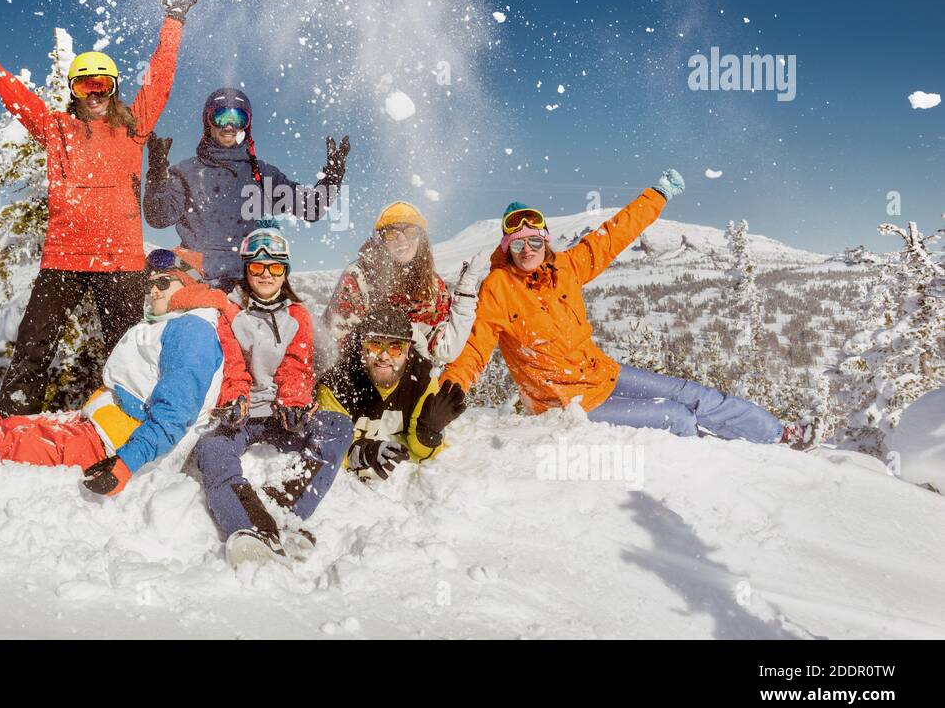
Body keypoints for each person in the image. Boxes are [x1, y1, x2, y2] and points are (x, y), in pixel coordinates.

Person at [0, 0, 198, 416]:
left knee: (127, 348)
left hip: (120, 263)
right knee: (33, 345)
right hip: (64, 258)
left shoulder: (134, 127)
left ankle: (131, 420)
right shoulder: (55, 129)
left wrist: (173, 21)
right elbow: (12, 93)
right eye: (84, 85)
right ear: (74, 91)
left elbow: (160, 80)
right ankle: (12, 417)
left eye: (101, 85)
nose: (93, 94)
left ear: (112, 89)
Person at [438, 170, 796, 445]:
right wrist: (447, 392)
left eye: (534, 241)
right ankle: (728, 463)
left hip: (600, 372)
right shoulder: (497, 289)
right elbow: (473, 348)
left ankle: (778, 435)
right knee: (678, 417)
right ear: (506, 250)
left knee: (692, 394)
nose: (527, 250)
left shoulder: (567, 267)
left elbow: (614, 235)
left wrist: (656, 195)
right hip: (566, 402)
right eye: (518, 245)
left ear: (545, 242)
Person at [0, 248, 251, 496]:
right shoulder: (172, 323)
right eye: (149, 283)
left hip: (112, 445)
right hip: (97, 427)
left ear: (187, 286)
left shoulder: (193, 331)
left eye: (162, 283)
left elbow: (173, 415)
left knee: (8, 446)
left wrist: (125, 464)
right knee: (8, 427)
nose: (151, 290)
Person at [192, 220, 354, 565]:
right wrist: (236, 399)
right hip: (243, 413)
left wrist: (293, 403)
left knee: (338, 427)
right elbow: (232, 363)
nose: (267, 275)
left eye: (275, 267)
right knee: (211, 448)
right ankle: (247, 524)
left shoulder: (297, 315)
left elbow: (297, 365)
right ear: (247, 269)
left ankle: (283, 508)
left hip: (280, 414)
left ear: (285, 272)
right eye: (258, 267)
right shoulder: (230, 311)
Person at [142, 87, 351, 290]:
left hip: (247, 285)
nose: (230, 126)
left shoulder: (260, 175)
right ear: (208, 121)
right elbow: (159, 218)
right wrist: (158, 177)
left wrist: (332, 178)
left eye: (239, 119)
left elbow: (311, 209)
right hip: (196, 282)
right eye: (221, 117)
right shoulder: (186, 172)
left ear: (246, 126)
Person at [319, 201, 479, 372]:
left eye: (411, 231)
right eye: (391, 233)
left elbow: (442, 349)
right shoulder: (357, 278)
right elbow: (339, 346)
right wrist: (405, 340)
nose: (402, 239)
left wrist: (464, 297)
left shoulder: (431, 284)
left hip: (411, 377)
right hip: (361, 375)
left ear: (421, 238)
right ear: (380, 240)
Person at [318, 306, 467, 484]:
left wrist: (428, 435)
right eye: (375, 345)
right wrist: (364, 454)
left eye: (395, 348)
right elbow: (325, 447)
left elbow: (422, 454)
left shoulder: (422, 380)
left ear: (407, 351)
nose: (384, 357)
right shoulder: (338, 383)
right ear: (361, 347)